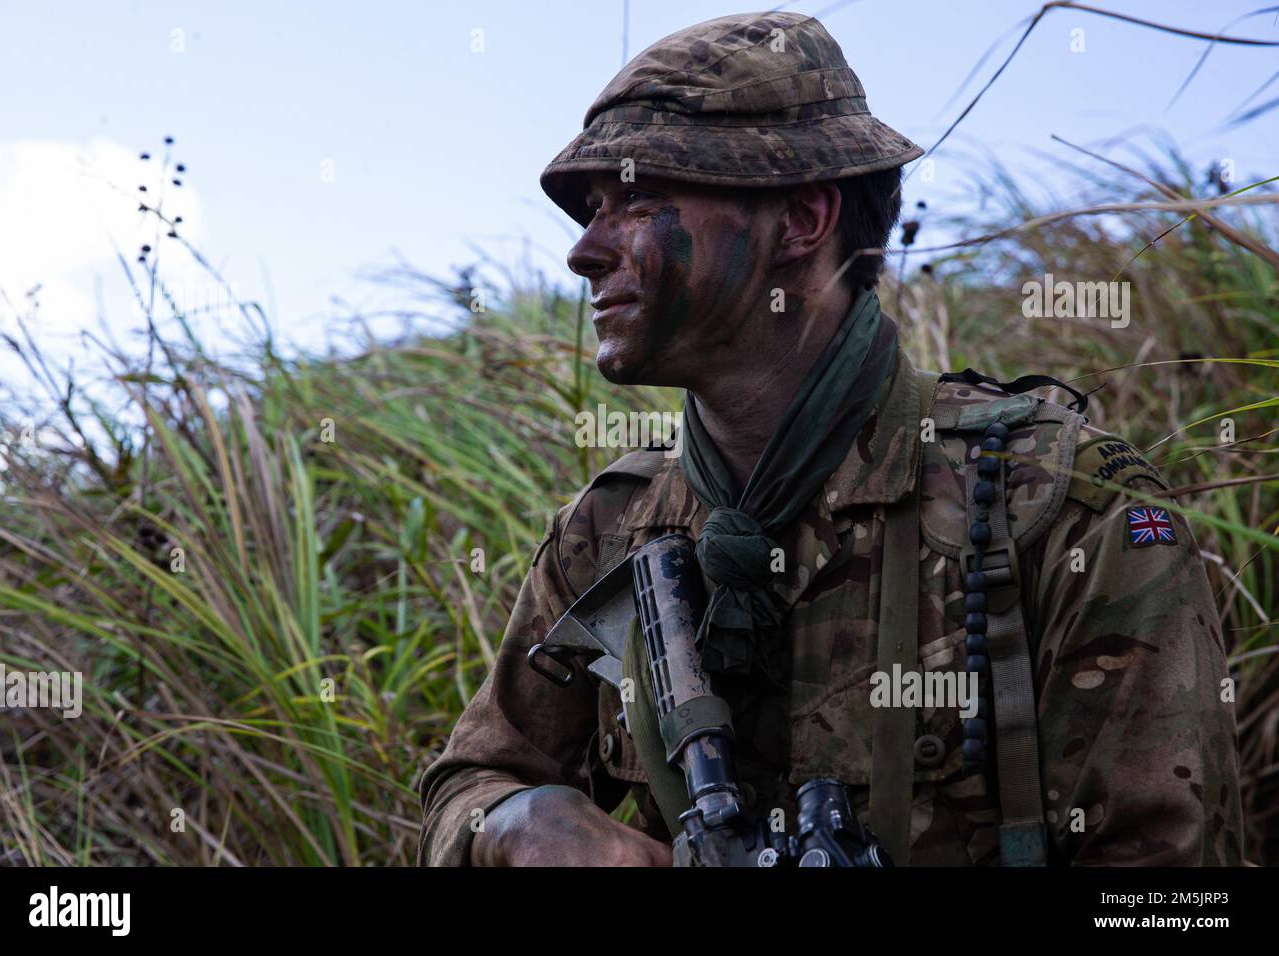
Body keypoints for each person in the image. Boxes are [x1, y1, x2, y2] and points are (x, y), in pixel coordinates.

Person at [417, 11, 1243, 867]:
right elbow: (471, 781)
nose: (584, 252)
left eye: (636, 202)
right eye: (593, 211)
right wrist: (523, 823)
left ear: (805, 219)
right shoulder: (608, 532)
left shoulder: (1059, 506)